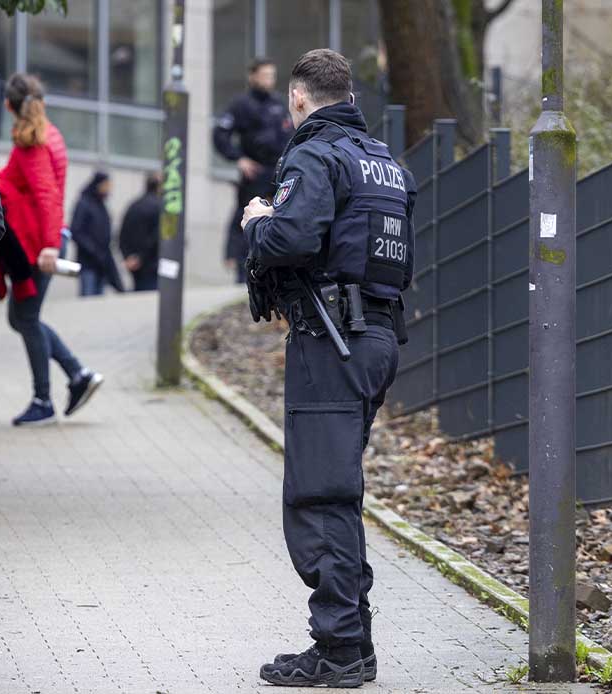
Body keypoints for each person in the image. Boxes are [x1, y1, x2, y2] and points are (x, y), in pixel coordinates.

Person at [241, 48, 415, 688]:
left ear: (297, 98)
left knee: (319, 495)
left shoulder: (316, 154)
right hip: (375, 340)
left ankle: (340, 649)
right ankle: (353, 644)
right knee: (338, 491)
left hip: (331, 343)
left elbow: (292, 239)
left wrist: (260, 220)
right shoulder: (385, 164)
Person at [0, 73, 104, 426]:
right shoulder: (49, 132)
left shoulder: (31, 141)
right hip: (45, 239)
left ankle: (46, 399)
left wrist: (49, 246)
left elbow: (46, 195)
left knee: (24, 317)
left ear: (9, 105)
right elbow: (22, 181)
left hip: (40, 244)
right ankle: (77, 375)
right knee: (23, 317)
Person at [214, 57, 293, 284]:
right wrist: (239, 159)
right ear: (253, 76)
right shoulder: (241, 104)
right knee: (246, 218)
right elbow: (220, 134)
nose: (269, 80)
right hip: (255, 174)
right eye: (265, 75)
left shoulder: (279, 104)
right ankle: (242, 273)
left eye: (272, 75)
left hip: (278, 171)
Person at [69, 171, 124, 296]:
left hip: (101, 264)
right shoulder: (84, 203)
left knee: (98, 300)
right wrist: (93, 250)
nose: (109, 189)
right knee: (88, 299)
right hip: (88, 263)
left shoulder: (101, 205)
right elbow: (76, 231)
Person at [118, 172, 161, 291]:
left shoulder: (134, 205)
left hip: (135, 265)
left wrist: (128, 257)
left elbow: (122, 234)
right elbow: (156, 238)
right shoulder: (159, 207)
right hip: (151, 265)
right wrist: (140, 258)